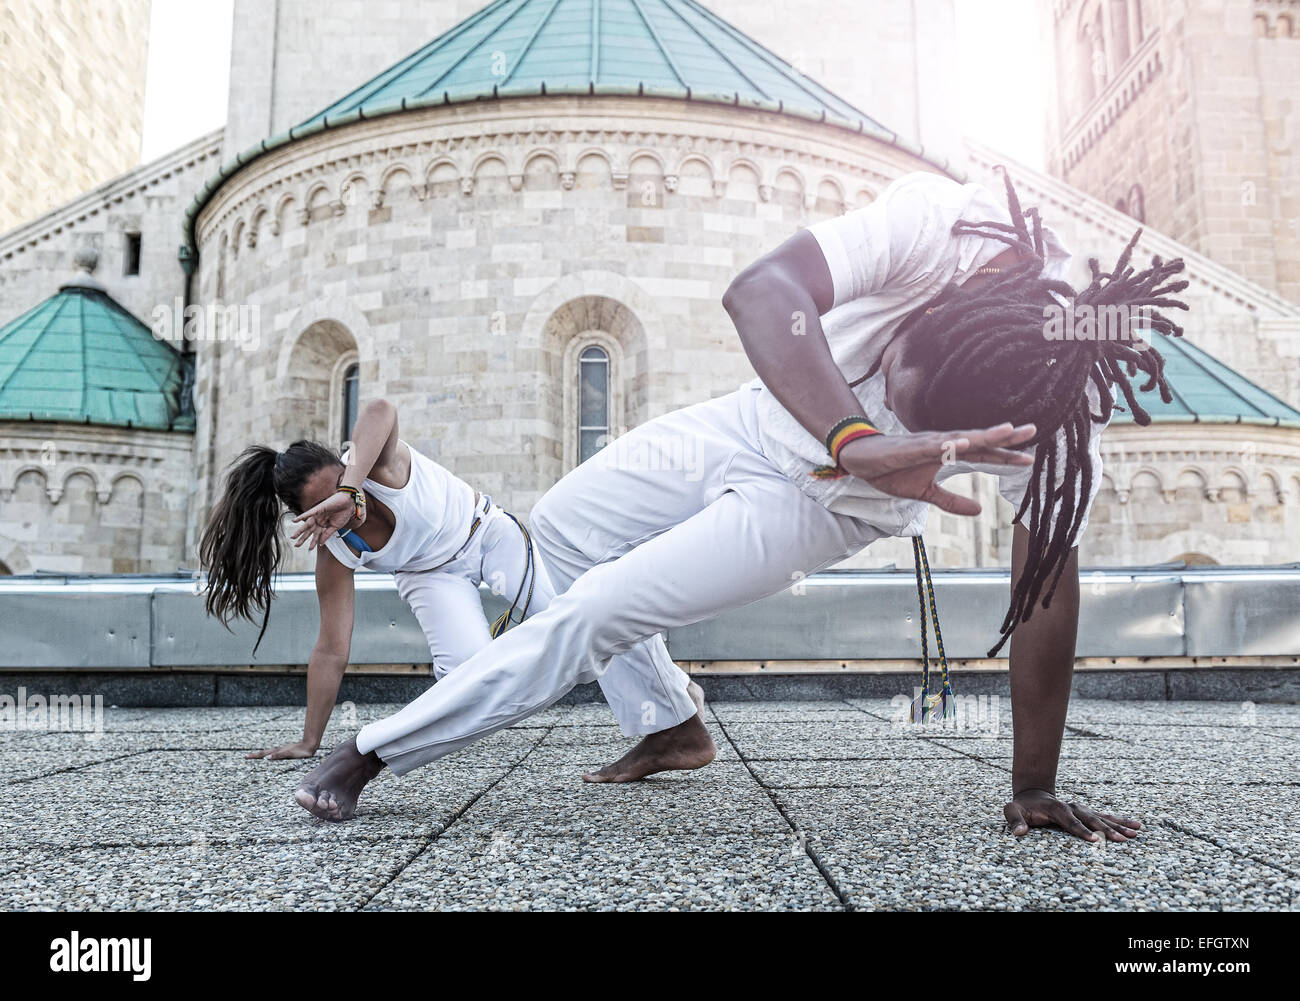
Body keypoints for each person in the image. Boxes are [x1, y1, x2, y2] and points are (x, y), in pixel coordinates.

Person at [291, 167, 1187, 843]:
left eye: (928, 417)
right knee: (561, 526)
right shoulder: (944, 227)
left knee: (596, 610)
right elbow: (762, 291)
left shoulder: (1061, 418)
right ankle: (670, 720)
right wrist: (862, 434)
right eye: (906, 382)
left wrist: (1034, 782)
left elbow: (1044, 592)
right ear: (951, 304)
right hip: (763, 418)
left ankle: (370, 754)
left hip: (830, 504)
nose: (900, 404)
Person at [200, 398, 565, 758]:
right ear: (312, 515)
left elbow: (380, 409)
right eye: (328, 505)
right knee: (468, 678)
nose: (344, 505)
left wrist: (350, 486)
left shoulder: (375, 465)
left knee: (564, 615)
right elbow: (331, 649)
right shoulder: (336, 551)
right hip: (431, 575)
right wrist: (309, 741)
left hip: (484, 533)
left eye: (341, 485)